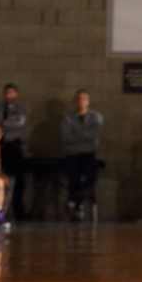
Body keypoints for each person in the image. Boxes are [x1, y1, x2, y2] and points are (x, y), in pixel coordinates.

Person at [0, 83, 29, 219]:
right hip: (0, 144)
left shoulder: (21, 108)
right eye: (6, 93)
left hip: (14, 146)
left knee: (18, 180)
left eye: (11, 93)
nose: (8, 96)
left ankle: (18, 210)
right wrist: (0, 127)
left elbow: (19, 122)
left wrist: (2, 124)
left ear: (16, 94)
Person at [62, 90, 104, 220]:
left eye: (84, 99)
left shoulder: (96, 117)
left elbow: (94, 135)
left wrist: (76, 133)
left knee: (91, 178)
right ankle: (76, 206)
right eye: (79, 99)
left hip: (88, 154)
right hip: (72, 154)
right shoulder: (68, 118)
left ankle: (75, 200)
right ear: (75, 101)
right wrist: (84, 134)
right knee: (73, 180)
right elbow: (66, 137)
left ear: (88, 101)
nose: (81, 101)